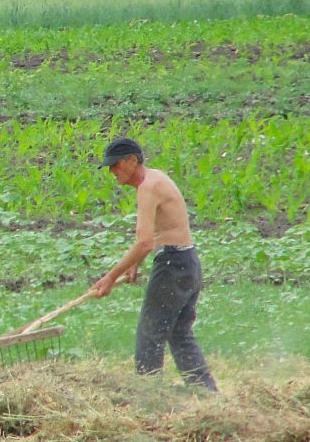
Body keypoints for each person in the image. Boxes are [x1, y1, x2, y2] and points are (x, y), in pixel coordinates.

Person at [91, 137, 218, 392]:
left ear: (132, 160)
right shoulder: (156, 178)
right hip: (187, 262)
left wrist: (109, 277)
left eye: (116, 165)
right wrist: (134, 264)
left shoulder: (148, 187)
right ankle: (207, 394)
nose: (112, 171)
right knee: (179, 333)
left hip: (172, 265)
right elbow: (163, 231)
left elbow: (144, 243)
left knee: (150, 334)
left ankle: (148, 396)